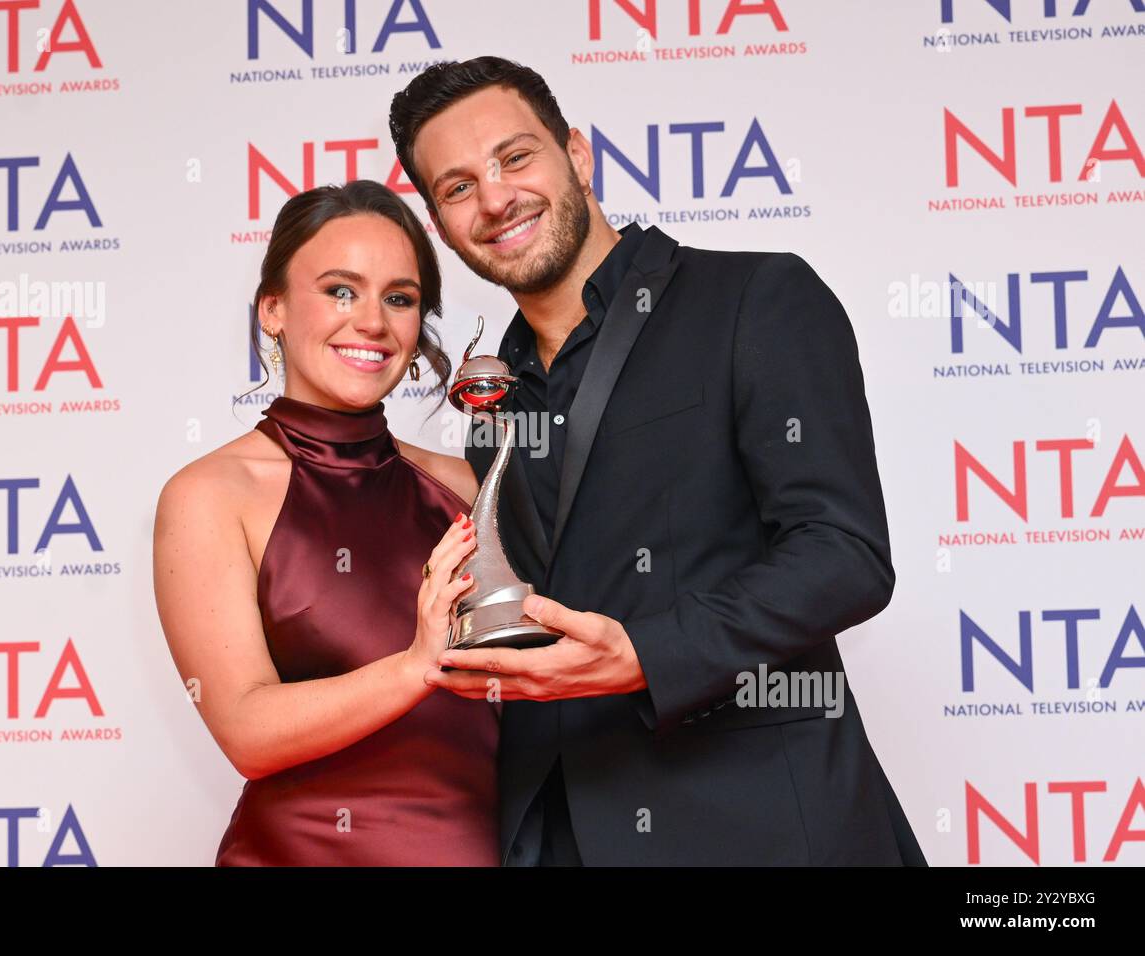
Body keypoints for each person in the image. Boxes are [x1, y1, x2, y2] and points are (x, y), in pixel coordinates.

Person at [388, 56, 928, 866]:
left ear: (577, 154)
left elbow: (844, 555)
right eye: (457, 187)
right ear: (439, 220)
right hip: (559, 827)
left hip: (759, 829)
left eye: (515, 156)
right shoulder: (494, 397)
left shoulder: (754, 300)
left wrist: (646, 655)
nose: (494, 197)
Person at [152, 180, 498, 866]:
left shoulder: (463, 485)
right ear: (273, 309)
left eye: (398, 298)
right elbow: (246, 733)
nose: (372, 321)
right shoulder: (212, 495)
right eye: (340, 290)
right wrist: (413, 668)